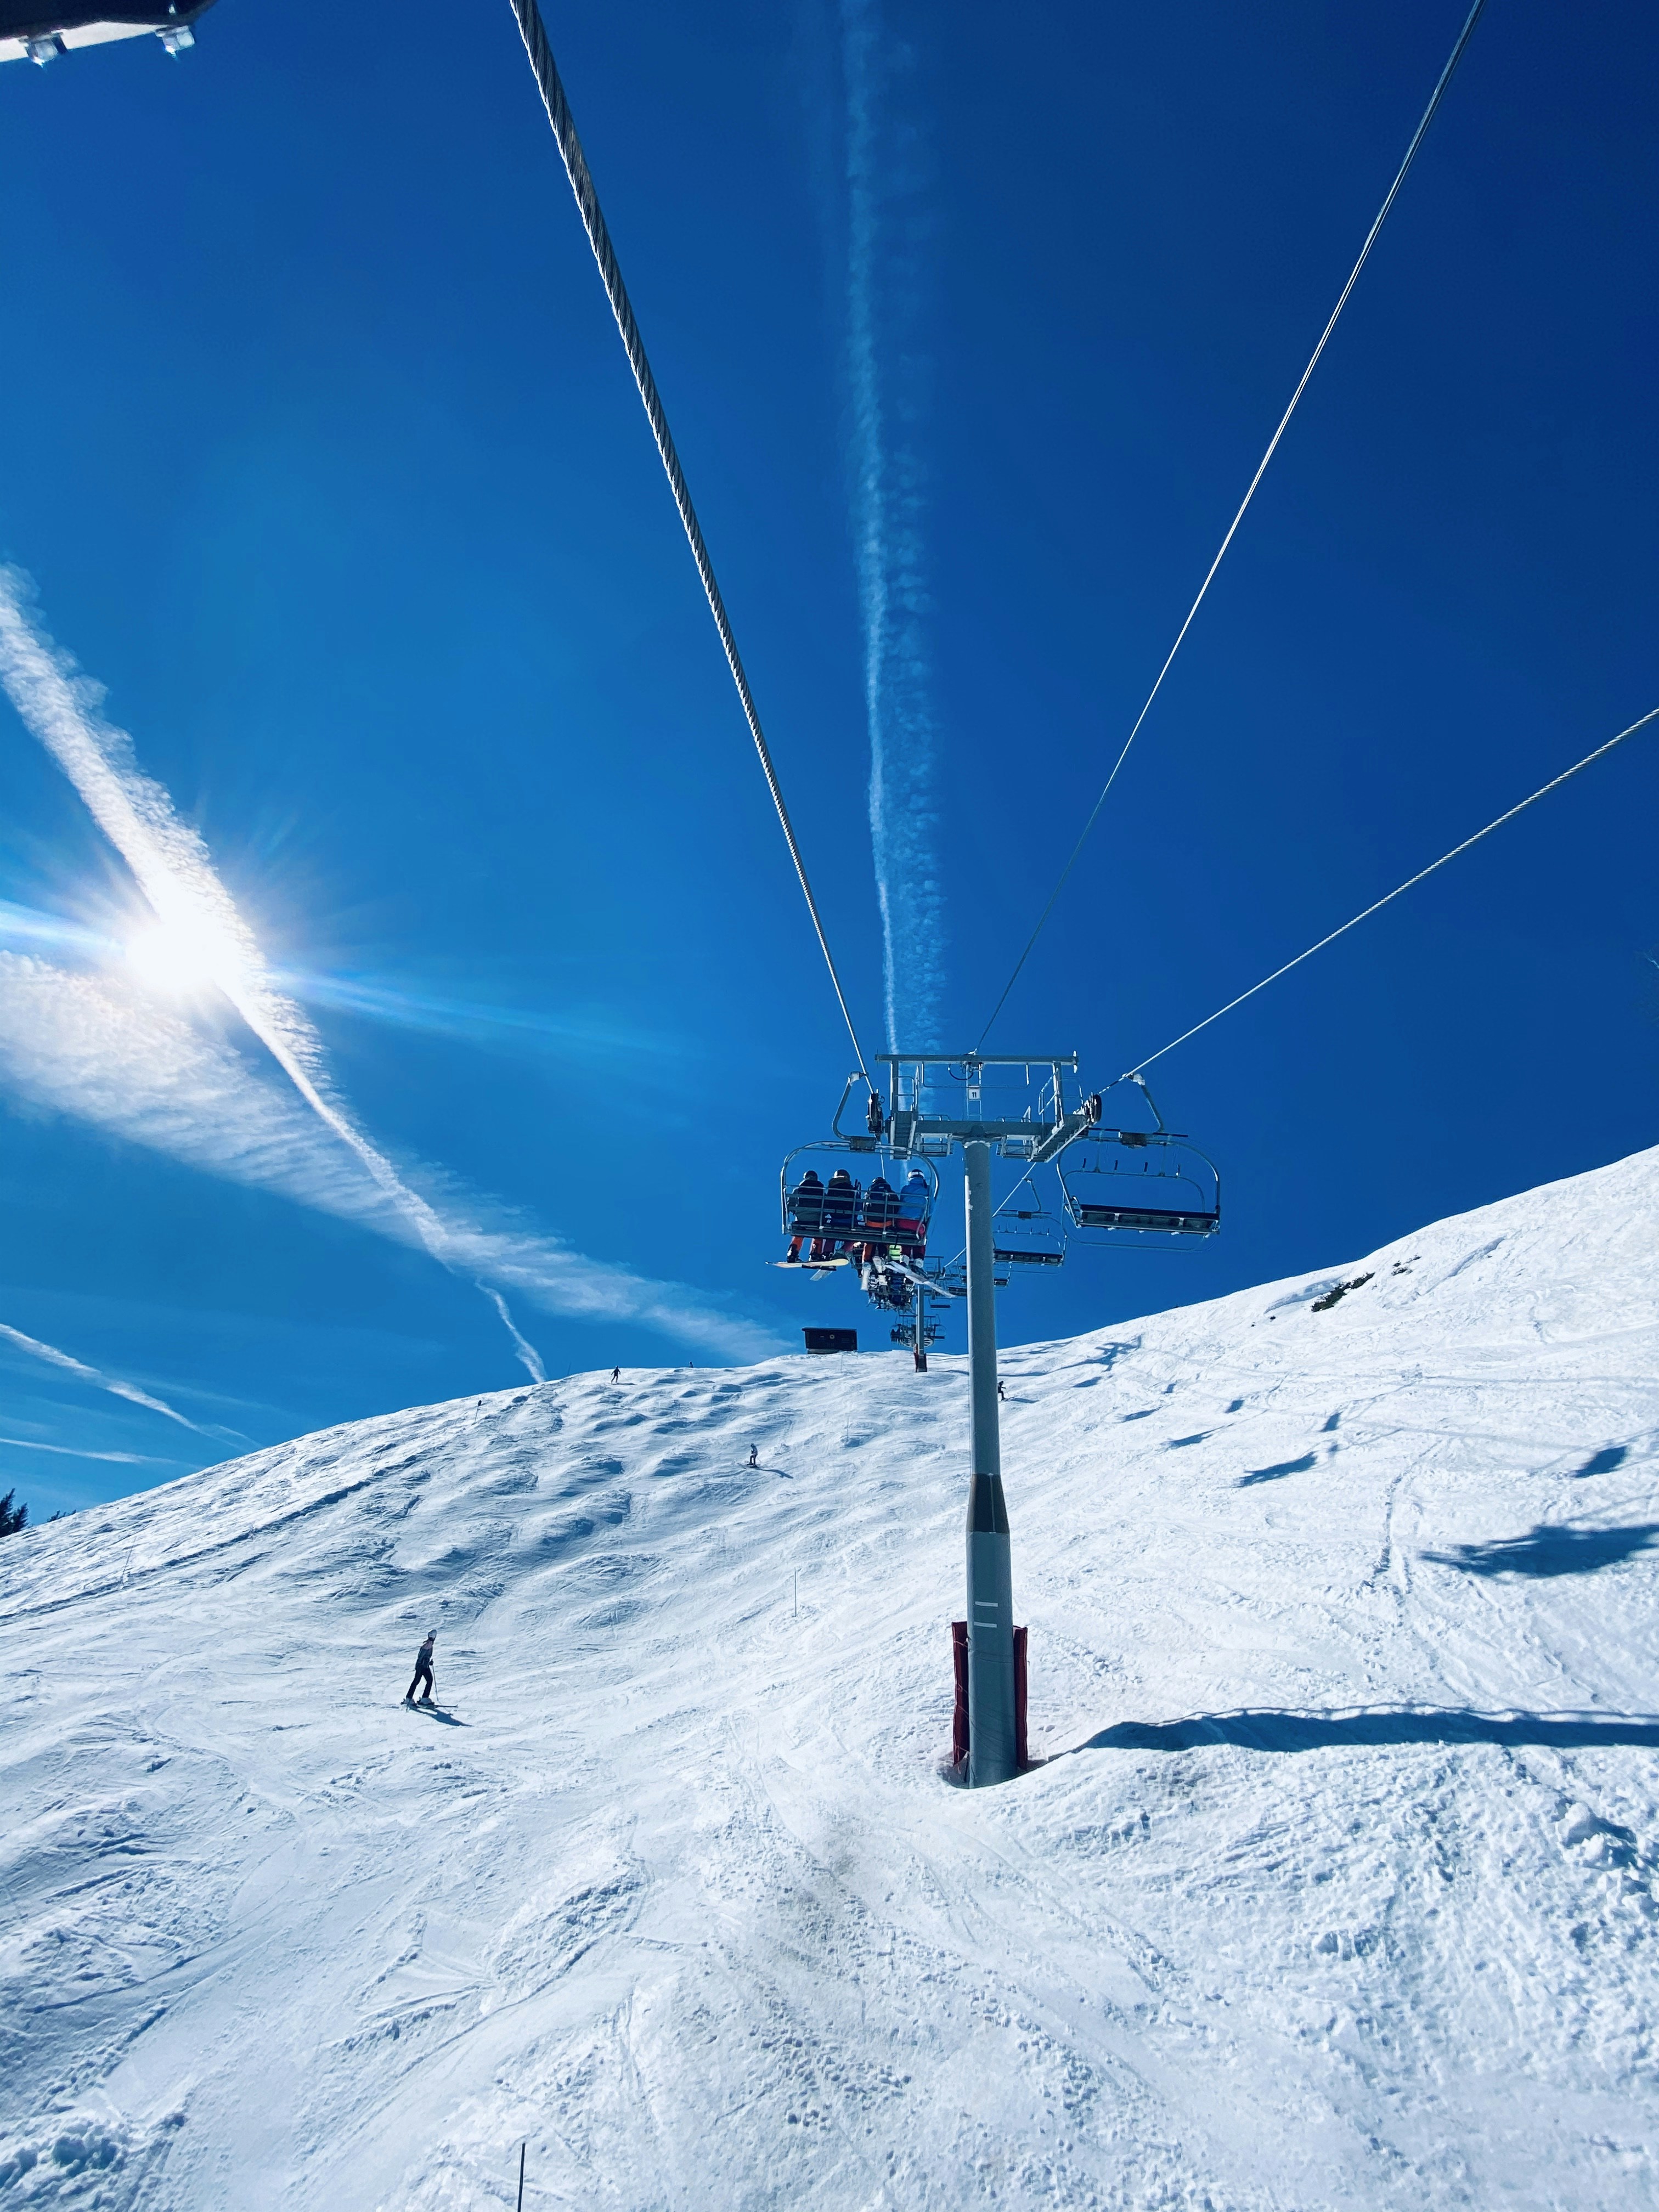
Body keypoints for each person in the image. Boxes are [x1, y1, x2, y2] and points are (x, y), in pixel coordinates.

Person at [785, 1168, 825, 1261]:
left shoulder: (798, 1189)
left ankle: (792, 1253)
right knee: (819, 1233)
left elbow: (790, 1204)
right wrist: (823, 1214)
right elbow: (826, 1203)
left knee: (799, 1233)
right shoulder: (821, 1190)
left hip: (801, 1217)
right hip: (816, 1218)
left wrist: (795, 1211)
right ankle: (815, 1253)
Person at [405, 1630, 436, 1705]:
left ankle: (408, 1698)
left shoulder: (428, 1643)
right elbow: (421, 1656)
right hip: (423, 1667)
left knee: (416, 1682)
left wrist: (428, 1663)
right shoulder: (428, 1644)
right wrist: (420, 1664)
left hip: (422, 1666)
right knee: (429, 1680)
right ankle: (424, 1698)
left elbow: (424, 1657)